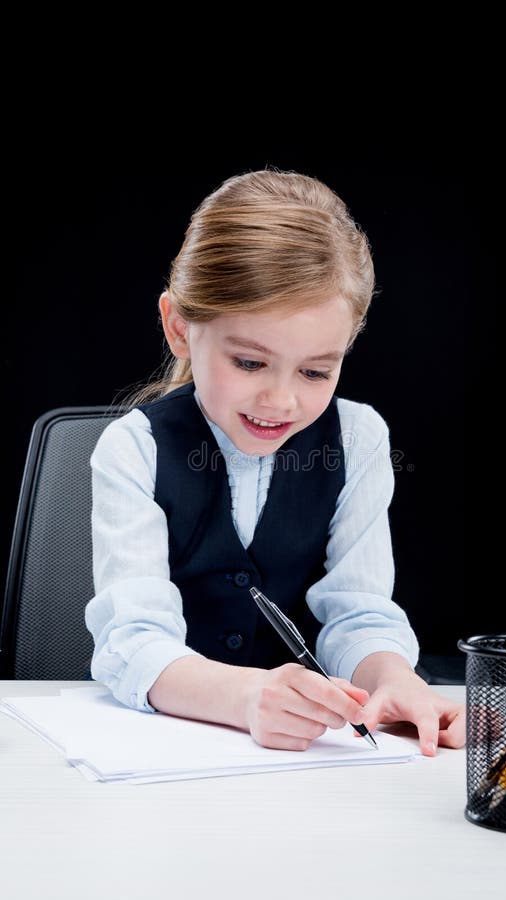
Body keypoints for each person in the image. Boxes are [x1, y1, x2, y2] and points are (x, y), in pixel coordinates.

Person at [85, 168, 465, 756]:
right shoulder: (133, 449)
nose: (282, 400)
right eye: (249, 363)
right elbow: (133, 642)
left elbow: (358, 614)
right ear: (179, 328)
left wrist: (393, 681)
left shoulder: (359, 438)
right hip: (167, 750)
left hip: (312, 767)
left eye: (316, 371)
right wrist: (244, 697)